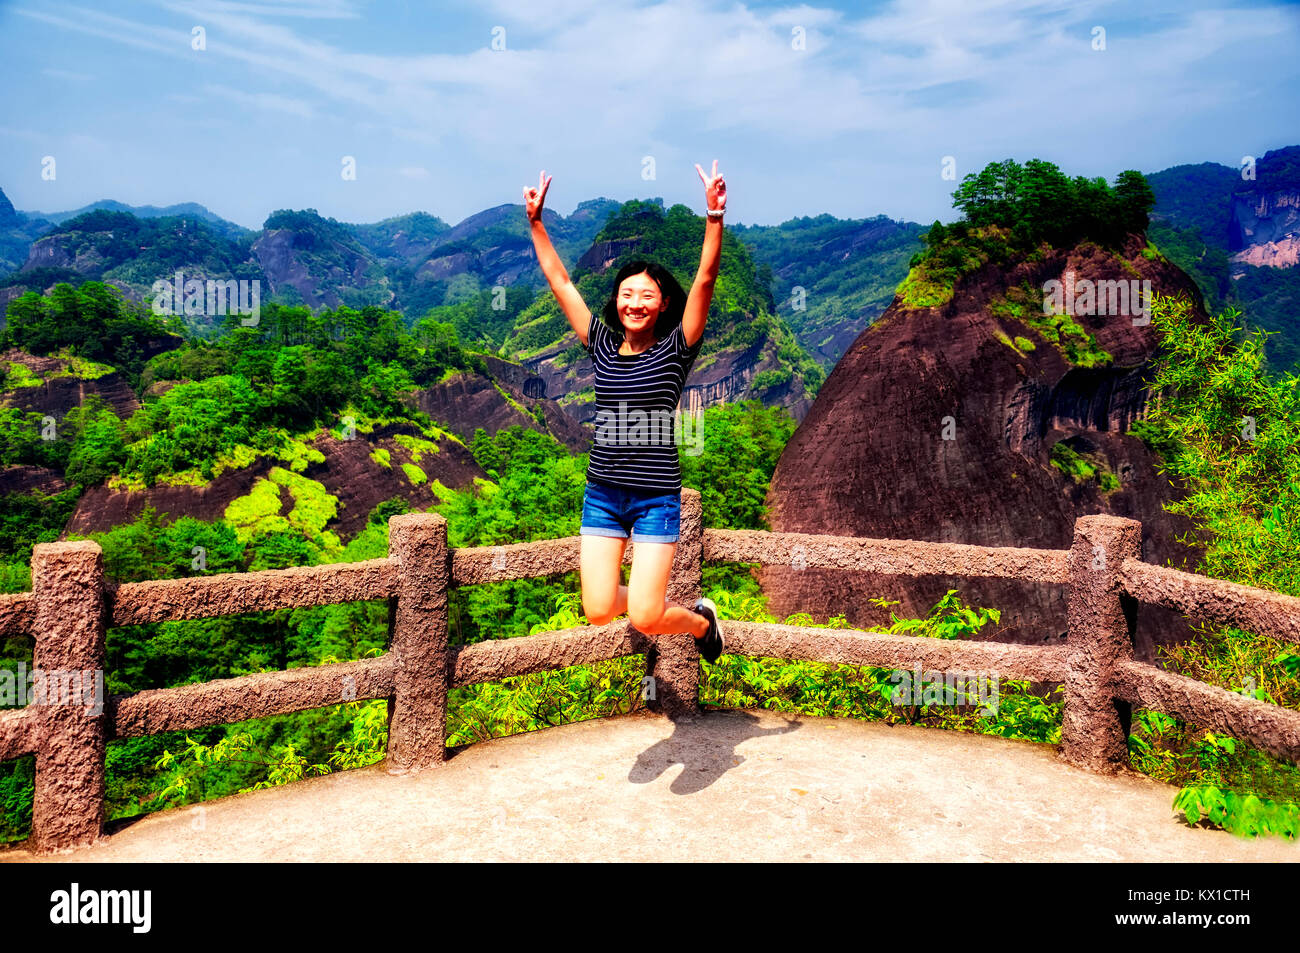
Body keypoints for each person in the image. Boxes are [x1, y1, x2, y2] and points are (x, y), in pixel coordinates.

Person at [523, 162, 727, 664]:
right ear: (617, 302)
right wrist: (536, 222)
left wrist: (714, 216)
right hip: (603, 494)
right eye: (627, 294)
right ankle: (665, 606)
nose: (635, 303)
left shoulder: (678, 349)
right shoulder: (602, 346)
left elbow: (703, 281)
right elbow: (562, 283)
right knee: (596, 609)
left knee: (645, 617)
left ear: (662, 306)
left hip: (656, 495)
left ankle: (701, 622)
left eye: (647, 296)